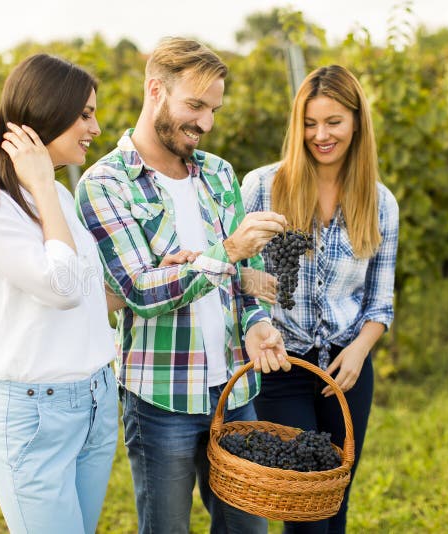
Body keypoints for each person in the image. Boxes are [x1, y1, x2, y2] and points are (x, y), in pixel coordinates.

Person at [75, 37, 291, 533]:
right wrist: (227, 252)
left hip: (237, 390)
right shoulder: (106, 184)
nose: (206, 122)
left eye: (213, 108)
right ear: (156, 91)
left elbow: (245, 281)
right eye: (195, 105)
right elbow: (141, 292)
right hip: (160, 400)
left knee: (246, 529)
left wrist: (256, 325)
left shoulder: (218, 173)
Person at [0, 54, 120, 534]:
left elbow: (84, 297)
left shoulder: (59, 198)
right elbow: (59, 290)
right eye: (84, 114)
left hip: (97, 402)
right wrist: (41, 183)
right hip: (35, 415)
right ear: (44, 114)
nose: (96, 128)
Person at [240, 65, 400, 533]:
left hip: (348, 371)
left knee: (336, 502)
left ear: (356, 121)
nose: (320, 135)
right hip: (281, 367)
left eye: (333, 122)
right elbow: (234, 274)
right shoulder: (264, 187)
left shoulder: (379, 201)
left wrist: (359, 351)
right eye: (310, 123)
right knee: (305, 510)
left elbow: (380, 301)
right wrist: (255, 288)